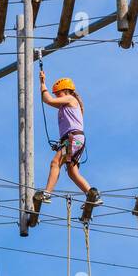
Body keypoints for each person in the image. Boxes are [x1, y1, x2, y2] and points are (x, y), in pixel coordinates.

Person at [36, 71, 99, 205]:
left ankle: (47, 193)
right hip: (74, 140)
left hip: (73, 139)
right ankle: (92, 195)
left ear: (65, 91)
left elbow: (48, 100)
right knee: (71, 171)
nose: (57, 97)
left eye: (58, 94)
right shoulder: (67, 105)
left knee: (55, 162)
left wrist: (42, 83)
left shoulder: (71, 99)